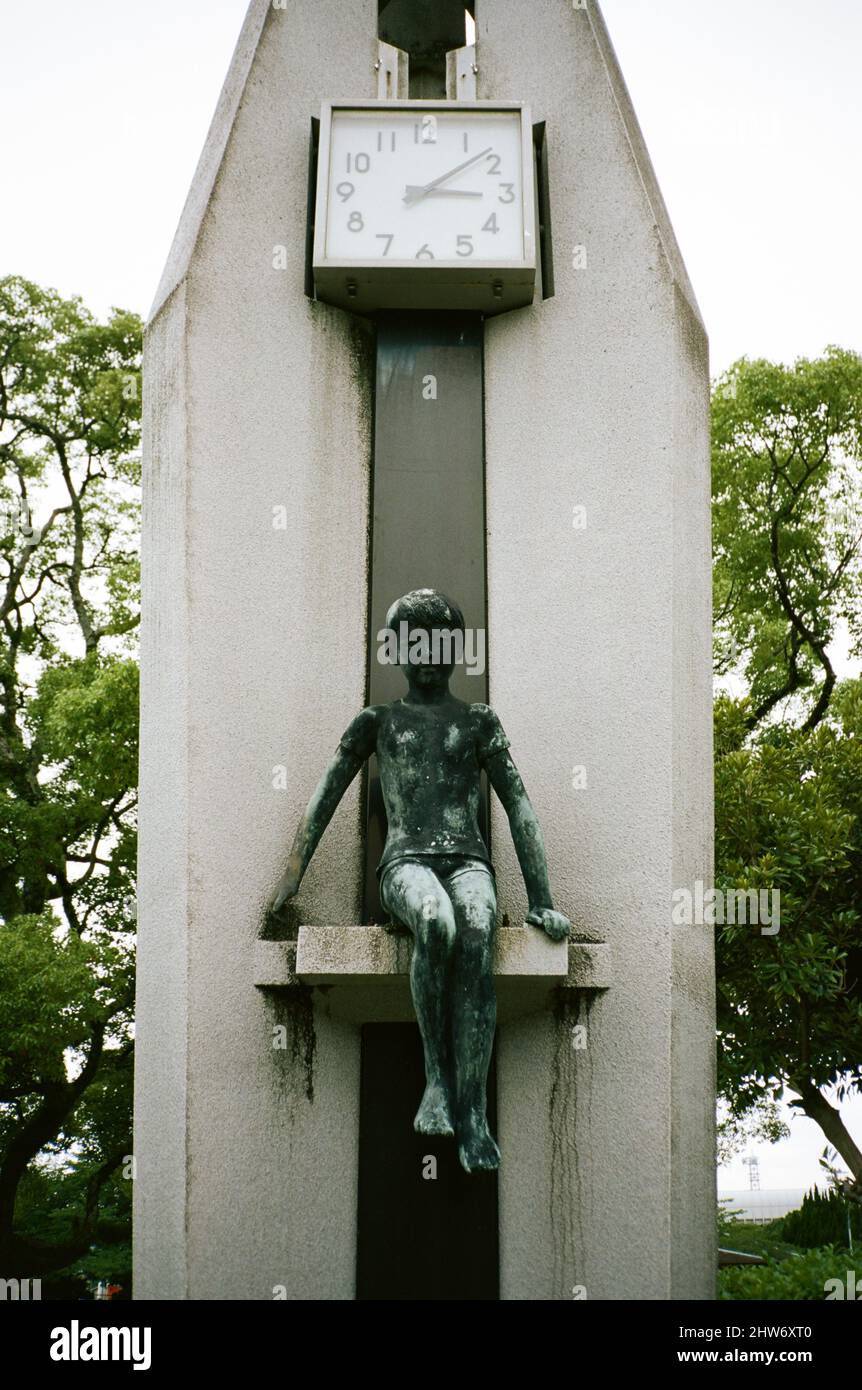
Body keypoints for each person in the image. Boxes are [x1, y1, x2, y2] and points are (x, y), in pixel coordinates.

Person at [271, 589, 570, 1173]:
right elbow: (326, 794)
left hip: (469, 862)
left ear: (456, 649)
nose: (428, 653)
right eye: (415, 640)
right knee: (435, 921)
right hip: (404, 865)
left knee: (479, 925)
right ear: (397, 649)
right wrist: (291, 876)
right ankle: (437, 1082)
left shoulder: (478, 722)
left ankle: (474, 1113)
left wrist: (543, 900)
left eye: (440, 641)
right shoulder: (378, 722)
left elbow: (520, 807)